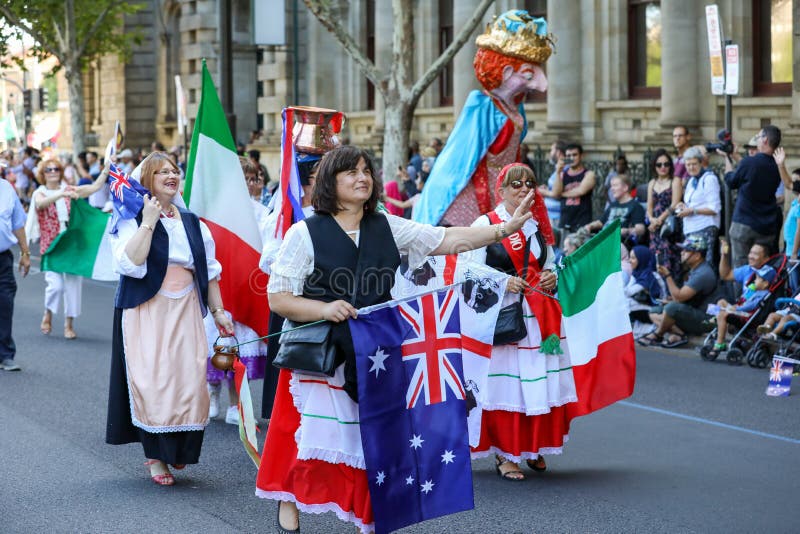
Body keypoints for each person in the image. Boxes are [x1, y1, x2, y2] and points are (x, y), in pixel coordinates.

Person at [257, 145, 536, 533]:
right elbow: (279, 297)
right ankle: (289, 498)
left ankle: (366, 517)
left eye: (366, 170)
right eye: (350, 172)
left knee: (371, 437)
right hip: (321, 351)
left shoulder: (386, 225)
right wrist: (324, 309)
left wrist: (503, 230)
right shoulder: (304, 233)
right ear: (329, 182)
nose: (362, 178)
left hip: (376, 349)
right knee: (300, 435)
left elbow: (444, 239)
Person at [105, 151, 234, 486]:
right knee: (155, 381)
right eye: (162, 172)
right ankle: (155, 457)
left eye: (174, 170)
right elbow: (130, 263)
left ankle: (179, 451)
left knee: (189, 380)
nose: (171, 175)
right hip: (146, 309)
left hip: (186, 307)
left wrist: (219, 312)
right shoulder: (129, 218)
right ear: (147, 179)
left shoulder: (193, 223)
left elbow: (210, 273)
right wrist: (148, 220)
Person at [462, 162, 566, 480]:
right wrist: (500, 282)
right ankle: (505, 454)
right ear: (502, 189)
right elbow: (466, 268)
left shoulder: (536, 226)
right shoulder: (486, 223)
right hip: (502, 316)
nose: (523, 189)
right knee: (506, 386)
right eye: (516, 184)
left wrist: (552, 277)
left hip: (538, 317)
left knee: (535, 383)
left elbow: (549, 264)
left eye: (528, 184)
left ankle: (533, 447)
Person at [414, 10, 551, 227]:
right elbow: (459, 157)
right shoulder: (483, 107)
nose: (541, 84)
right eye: (528, 75)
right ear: (505, 73)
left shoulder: (514, 107)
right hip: (477, 194)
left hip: (506, 190)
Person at [205, 157, 269, 424]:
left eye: (253, 179)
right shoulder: (214, 214)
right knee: (219, 345)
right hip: (220, 289)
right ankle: (212, 392)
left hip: (247, 287)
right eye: (243, 179)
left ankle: (236, 405)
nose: (249, 184)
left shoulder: (261, 213)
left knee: (239, 346)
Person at [26, 159, 109, 339]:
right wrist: (62, 194)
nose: (53, 171)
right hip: (52, 245)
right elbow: (41, 204)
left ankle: (68, 324)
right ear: (43, 173)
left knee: (73, 286)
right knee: (55, 286)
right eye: (49, 169)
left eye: (57, 169)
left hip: (72, 244)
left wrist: (107, 168)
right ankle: (48, 312)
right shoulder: (40, 192)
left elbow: (95, 187)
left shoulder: (69, 189)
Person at [640, 234, 717, 348]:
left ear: (696, 255)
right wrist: (672, 299)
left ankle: (658, 335)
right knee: (654, 311)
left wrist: (667, 275)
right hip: (693, 313)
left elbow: (679, 297)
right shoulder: (695, 269)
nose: (682, 253)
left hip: (708, 320)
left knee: (671, 308)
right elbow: (682, 297)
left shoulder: (703, 273)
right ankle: (678, 334)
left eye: (686, 250)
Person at [723, 125, 784, 268]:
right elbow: (751, 170)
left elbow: (731, 181)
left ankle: (742, 292)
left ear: (765, 140)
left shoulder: (750, 162)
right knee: (762, 269)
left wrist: (727, 161)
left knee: (741, 269)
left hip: (744, 224)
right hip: (766, 226)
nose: (756, 140)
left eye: (758, 137)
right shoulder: (777, 165)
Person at [708, 265, 775, 358]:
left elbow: (751, 305)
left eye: (758, 279)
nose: (755, 280)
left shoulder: (764, 294)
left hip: (746, 316)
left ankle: (720, 343)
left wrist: (737, 309)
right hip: (740, 309)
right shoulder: (754, 291)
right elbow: (743, 300)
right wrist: (748, 293)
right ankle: (719, 323)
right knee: (721, 302)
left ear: (765, 283)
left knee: (722, 314)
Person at [0, 174, 30, 372]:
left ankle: (5, 355)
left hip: (2, 258)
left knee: (5, 302)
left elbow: (17, 223)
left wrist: (25, 252)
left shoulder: (6, 188)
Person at [675, 146, 720, 266]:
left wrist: (692, 210)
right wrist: (683, 206)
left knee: (704, 265)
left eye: (694, 164)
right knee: (692, 266)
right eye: (688, 164)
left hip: (705, 227)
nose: (691, 167)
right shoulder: (691, 181)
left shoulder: (709, 179)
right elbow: (693, 204)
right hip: (691, 229)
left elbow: (714, 208)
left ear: (701, 163)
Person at [646, 149, 683, 280]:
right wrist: (651, 220)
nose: (663, 167)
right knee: (656, 259)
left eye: (666, 164)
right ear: (654, 166)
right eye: (659, 164)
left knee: (671, 258)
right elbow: (649, 206)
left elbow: (674, 204)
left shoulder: (675, 181)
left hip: (669, 226)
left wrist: (659, 220)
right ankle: (660, 292)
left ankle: (672, 293)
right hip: (655, 227)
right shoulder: (652, 183)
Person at [582, 173, 645, 241]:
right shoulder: (613, 205)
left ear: (625, 188)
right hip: (603, 238)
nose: (612, 189)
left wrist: (627, 231)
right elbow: (601, 222)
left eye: (615, 185)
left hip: (618, 242)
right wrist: (590, 226)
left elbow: (641, 229)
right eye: (611, 186)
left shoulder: (636, 206)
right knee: (571, 241)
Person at [552, 143, 597, 232]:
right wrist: (557, 172)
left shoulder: (589, 174)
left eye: (575, 155)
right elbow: (555, 193)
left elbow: (580, 191)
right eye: (569, 156)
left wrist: (561, 194)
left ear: (581, 156)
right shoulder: (562, 174)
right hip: (564, 221)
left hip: (582, 222)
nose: (572, 158)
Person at [625, 245, 665, 325]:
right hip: (646, 305)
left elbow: (628, 292)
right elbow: (627, 291)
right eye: (630, 257)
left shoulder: (649, 275)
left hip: (659, 305)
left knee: (626, 304)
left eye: (633, 258)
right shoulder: (637, 273)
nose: (629, 260)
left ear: (641, 259)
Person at [537, 140, 566, 229]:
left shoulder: (563, 170)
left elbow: (556, 194)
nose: (550, 153)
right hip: (551, 216)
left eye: (551, 150)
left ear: (558, 152)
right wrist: (547, 189)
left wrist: (540, 190)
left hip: (556, 217)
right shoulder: (559, 169)